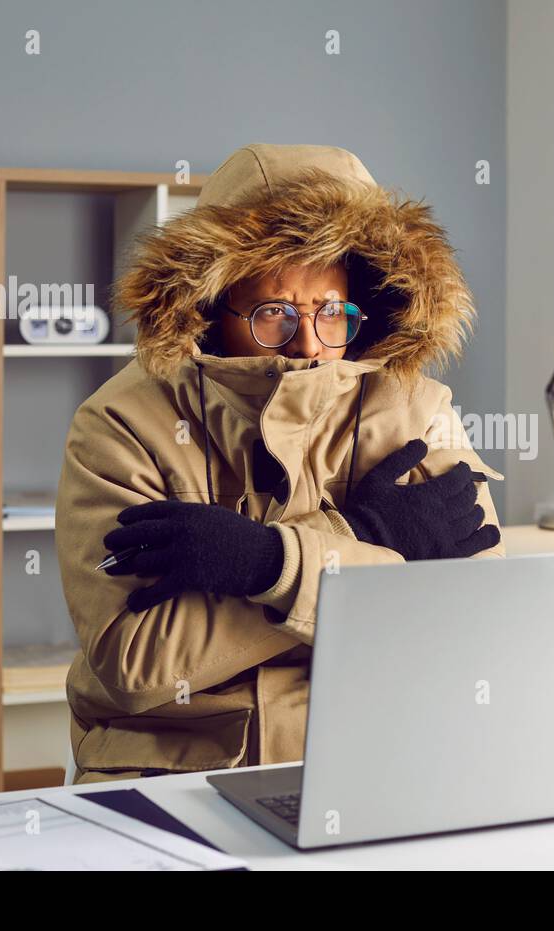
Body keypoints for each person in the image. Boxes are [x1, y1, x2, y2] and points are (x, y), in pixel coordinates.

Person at [55, 144, 504, 784]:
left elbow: (477, 621)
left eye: (332, 311)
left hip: (371, 765)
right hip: (175, 778)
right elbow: (137, 665)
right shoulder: (122, 423)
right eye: (273, 314)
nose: (310, 344)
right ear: (210, 304)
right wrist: (366, 545)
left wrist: (264, 562)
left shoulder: (417, 411)